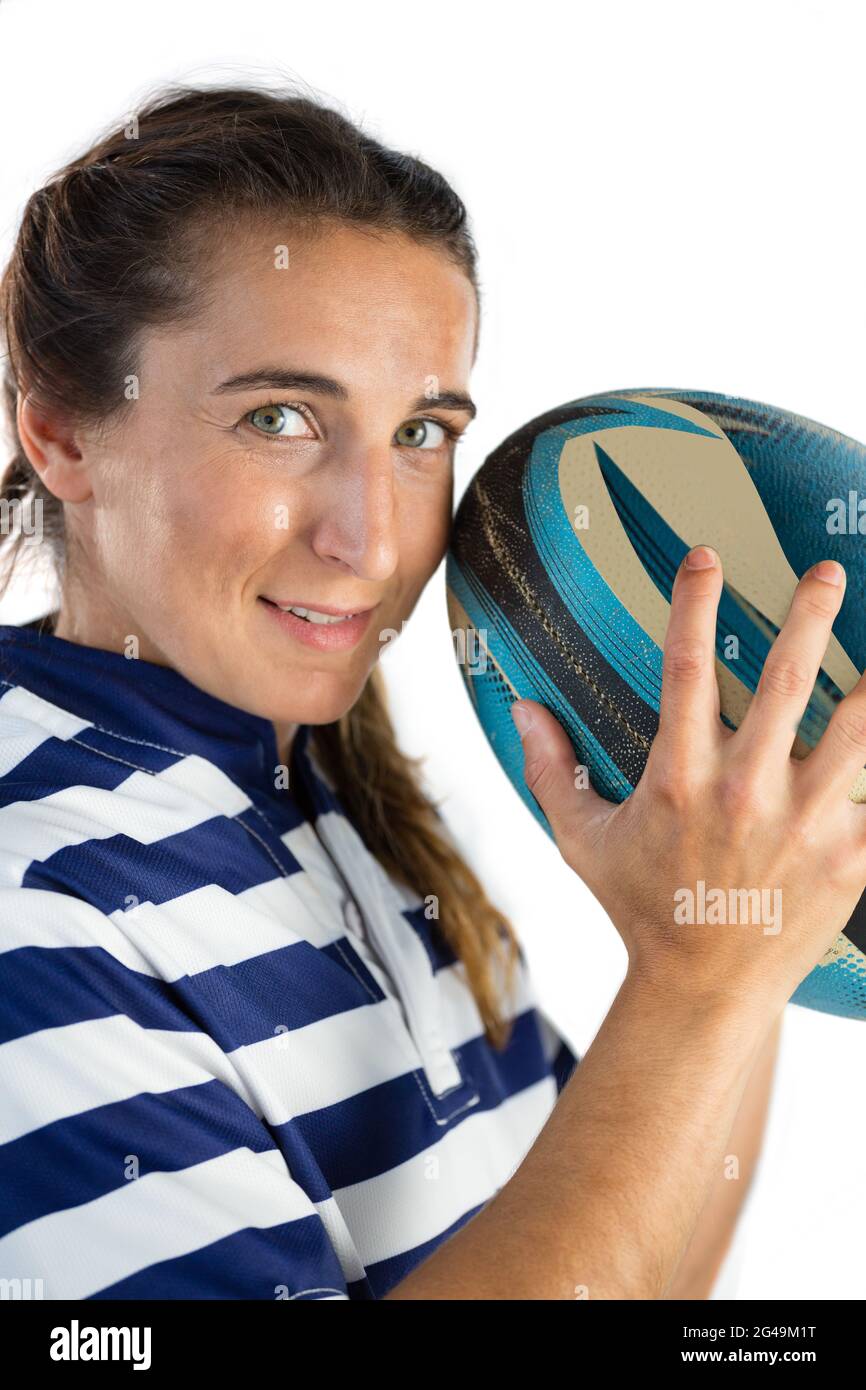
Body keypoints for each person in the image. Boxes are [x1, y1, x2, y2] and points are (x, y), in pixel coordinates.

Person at [1, 82, 863, 1302]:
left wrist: (747, 852)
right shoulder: (36, 907)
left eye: (420, 432)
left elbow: (631, 1275)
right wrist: (693, 977)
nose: (371, 537)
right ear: (60, 431)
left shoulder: (331, 798)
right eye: (281, 416)